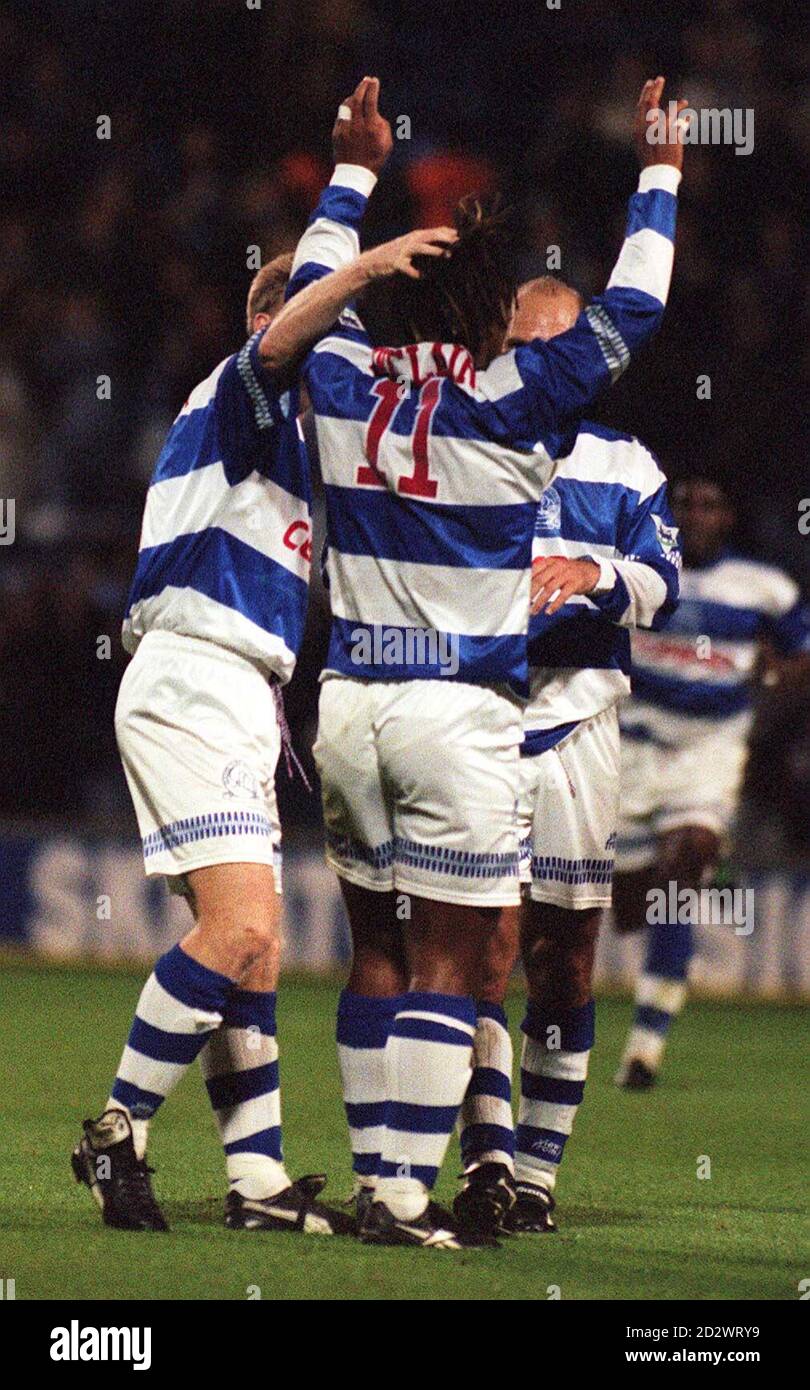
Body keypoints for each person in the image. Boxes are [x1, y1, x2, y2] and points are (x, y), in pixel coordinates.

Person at [263, 76, 687, 1246]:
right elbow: (637, 309)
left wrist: (352, 175)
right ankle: (403, 1193)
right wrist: (660, 172)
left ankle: (371, 1180)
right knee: (464, 959)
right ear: (492, 309)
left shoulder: (340, 377)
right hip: (461, 710)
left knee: (376, 951)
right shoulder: (515, 398)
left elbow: (309, 294)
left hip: (346, 703)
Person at [71, 79, 443, 1235]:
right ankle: (116, 1129)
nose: (321, 323)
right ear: (265, 324)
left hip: (239, 692)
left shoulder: (294, 451)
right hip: (192, 673)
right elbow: (296, 315)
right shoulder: (236, 394)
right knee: (234, 931)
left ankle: (259, 1183)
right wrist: (365, 234)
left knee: (260, 951)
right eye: (301, 310)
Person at [452, 274, 680, 1238]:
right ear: (503, 350)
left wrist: (592, 573)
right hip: (477, 716)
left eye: (563, 350)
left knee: (566, 957)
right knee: (480, 948)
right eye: (527, 349)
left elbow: (663, 583)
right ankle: (488, 1159)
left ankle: (539, 1171)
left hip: (582, 720)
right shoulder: (463, 442)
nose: (546, 369)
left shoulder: (626, 465)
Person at [613, 474, 810, 1087]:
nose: (696, 514)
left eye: (710, 504)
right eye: (686, 503)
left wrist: (774, 675)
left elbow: (801, 653)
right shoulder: (636, 569)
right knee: (626, 908)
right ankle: (652, 879)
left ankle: (645, 1045)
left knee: (685, 868)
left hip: (710, 749)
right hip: (630, 746)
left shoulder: (764, 588)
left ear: (728, 518)